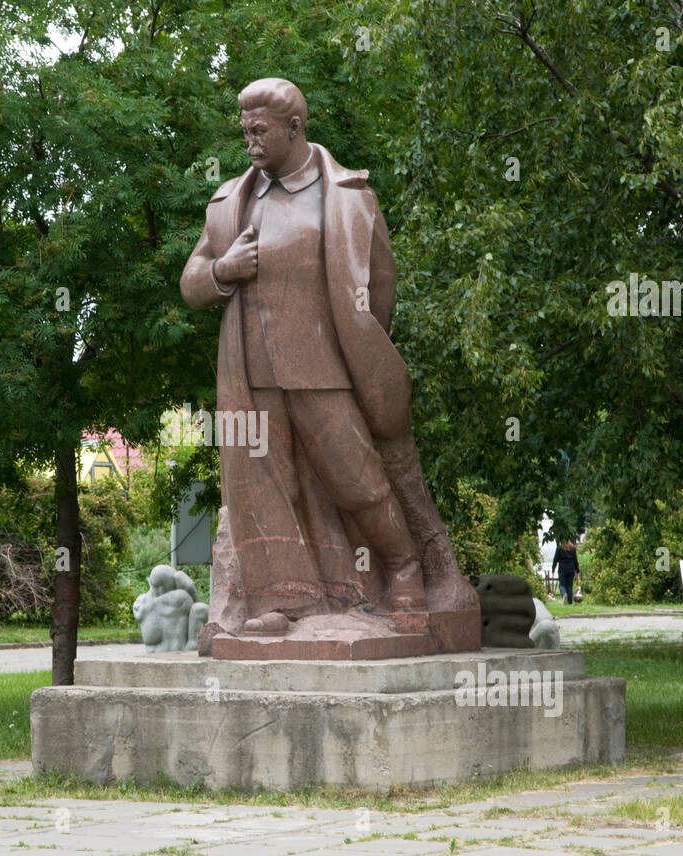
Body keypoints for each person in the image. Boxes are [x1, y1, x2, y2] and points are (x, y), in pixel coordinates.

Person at [179, 78, 477, 639]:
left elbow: (380, 282)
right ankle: (286, 604)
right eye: (245, 132)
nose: (250, 143)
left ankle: (404, 571)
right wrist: (223, 270)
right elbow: (191, 282)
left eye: (260, 131)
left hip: (323, 366)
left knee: (357, 479)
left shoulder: (345, 195)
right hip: (250, 374)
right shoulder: (230, 203)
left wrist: (362, 347)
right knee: (262, 490)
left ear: (295, 128)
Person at [552, 540, 581, 605]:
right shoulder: (572, 548)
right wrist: (577, 570)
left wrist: (553, 568)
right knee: (569, 585)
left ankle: (564, 595)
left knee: (562, 585)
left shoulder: (559, 548)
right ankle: (570, 602)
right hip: (571, 568)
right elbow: (575, 560)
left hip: (562, 568)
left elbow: (555, 559)